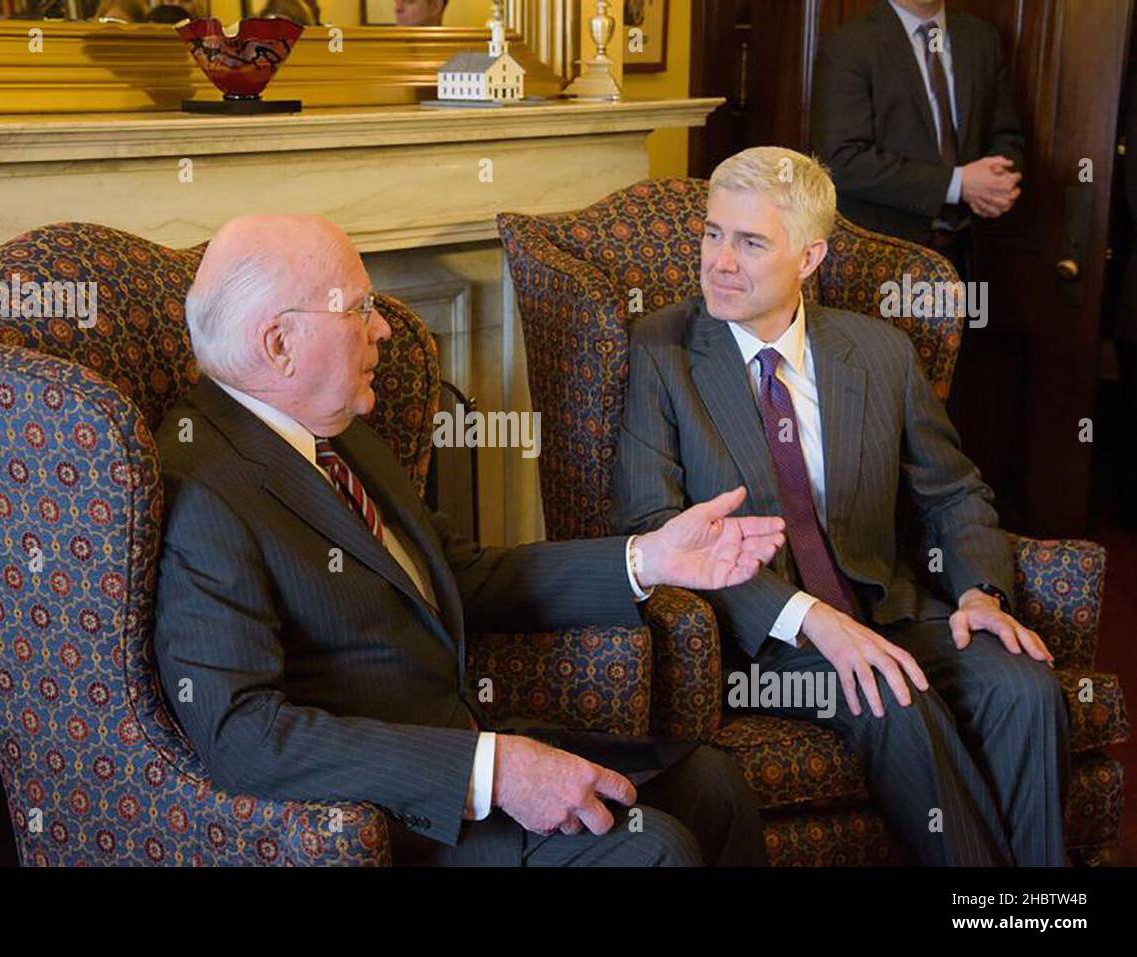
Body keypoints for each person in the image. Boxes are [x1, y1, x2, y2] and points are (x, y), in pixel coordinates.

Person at [152, 213, 784, 866]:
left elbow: (461, 574)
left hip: (465, 748)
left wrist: (647, 557)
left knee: (713, 786)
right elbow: (244, 736)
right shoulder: (204, 484)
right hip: (388, 818)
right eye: (359, 307)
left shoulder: (335, 431)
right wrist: (493, 770)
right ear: (279, 344)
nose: (383, 326)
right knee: (654, 850)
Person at [612, 146, 1069, 866]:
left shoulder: (878, 352)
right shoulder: (663, 351)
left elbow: (952, 490)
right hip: (762, 641)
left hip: (888, 612)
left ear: (810, 256)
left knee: (1025, 688)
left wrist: (981, 590)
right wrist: (810, 619)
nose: (720, 261)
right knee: (890, 696)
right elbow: (648, 524)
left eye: (751, 241)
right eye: (711, 233)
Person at [811, 0, 1024, 276]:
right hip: (883, 261)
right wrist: (958, 184)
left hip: (966, 254)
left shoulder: (981, 38)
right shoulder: (848, 45)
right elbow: (843, 161)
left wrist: (997, 182)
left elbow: (1006, 134)